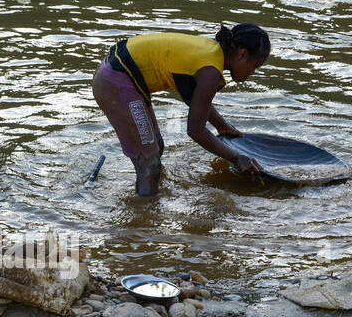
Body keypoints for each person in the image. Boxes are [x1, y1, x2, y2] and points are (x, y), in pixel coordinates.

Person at [92, 22, 271, 195]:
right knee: (149, 164)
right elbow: (195, 130)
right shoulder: (211, 71)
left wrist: (222, 126)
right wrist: (236, 158)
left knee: (155, 147)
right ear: (242, 54)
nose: (252, 73)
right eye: (254, 66)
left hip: (119, 75)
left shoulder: (210, 52)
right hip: (117, 83)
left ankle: (149, 196)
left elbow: (198, 102)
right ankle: (143, 219)